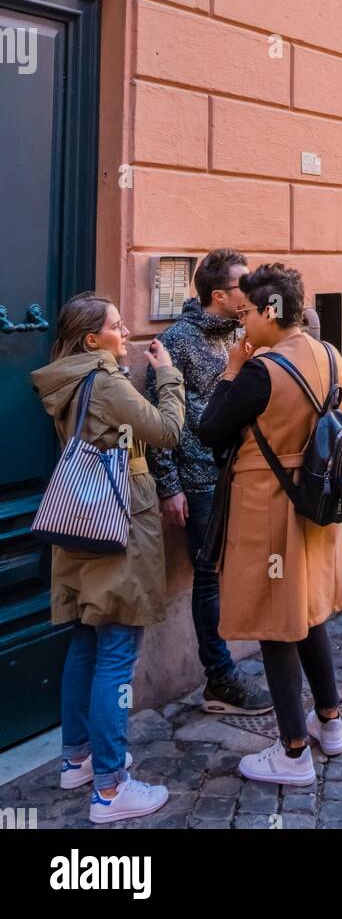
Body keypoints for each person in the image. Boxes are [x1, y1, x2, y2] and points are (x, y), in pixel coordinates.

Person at [31, 293, 186, 822]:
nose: (127, 333)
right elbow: (165, 431)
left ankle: (78, 758)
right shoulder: (107, 381)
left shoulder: (69, 379)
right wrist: (167, 376)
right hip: (119, 523)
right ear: (92, 339)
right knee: (117, 648)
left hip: (81, 523)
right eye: (117, 326)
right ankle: (112, 789)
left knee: (85, 639)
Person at [198, 265, 342, 786]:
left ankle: (292, 751)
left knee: (274, 622)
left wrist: (230, 371)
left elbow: (209, 428)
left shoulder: (262, 371)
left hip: (269, 506)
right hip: (315, 501)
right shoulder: (330, 355)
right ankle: (329, 722)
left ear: (270, 312)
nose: (242, 329)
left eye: (245, 316)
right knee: (307, 613)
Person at [147, 249, 271, 715]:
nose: (253, 293)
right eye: (245, 285)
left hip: (240, 469)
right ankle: (219, 678)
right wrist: (169, 486)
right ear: (218, 294)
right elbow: (159, 418)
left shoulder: (243, 333)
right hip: (198, 479)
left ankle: (252, 657)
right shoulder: (176, 340)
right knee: (209, 577)